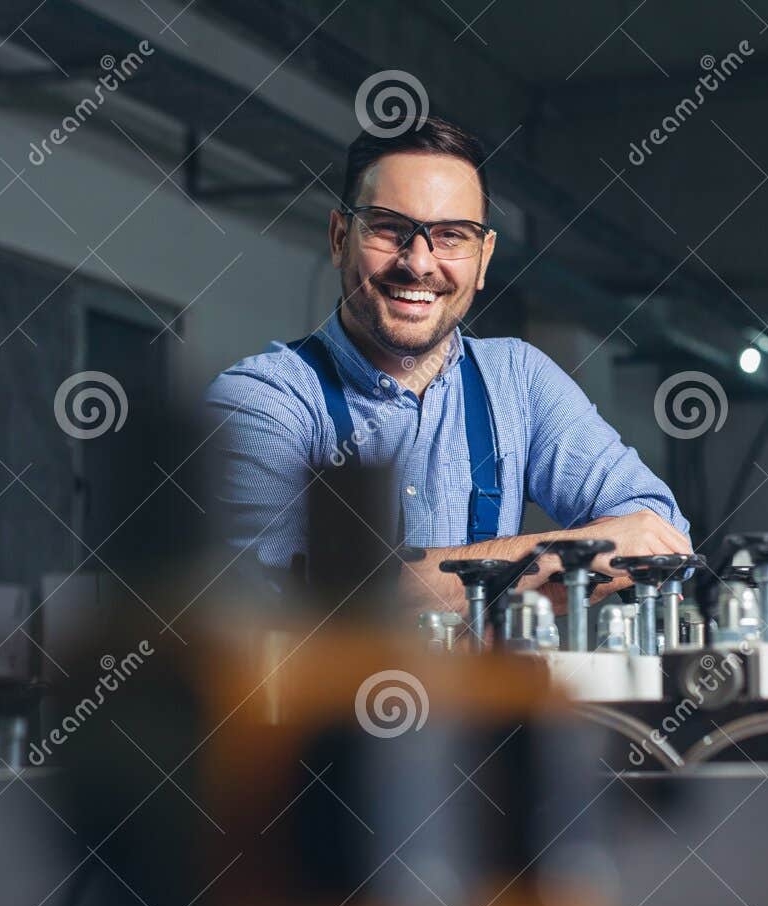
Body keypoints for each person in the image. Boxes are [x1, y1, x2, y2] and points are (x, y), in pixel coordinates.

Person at [205, 115, 691, 611]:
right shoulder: (261, 401)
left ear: (483, 259)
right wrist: (551, 559)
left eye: (452, 235)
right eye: (391, 229)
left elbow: (658, 533)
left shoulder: (519, 382)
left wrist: (429, 584)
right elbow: (298, 595)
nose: (418, 262)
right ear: (338, 238)